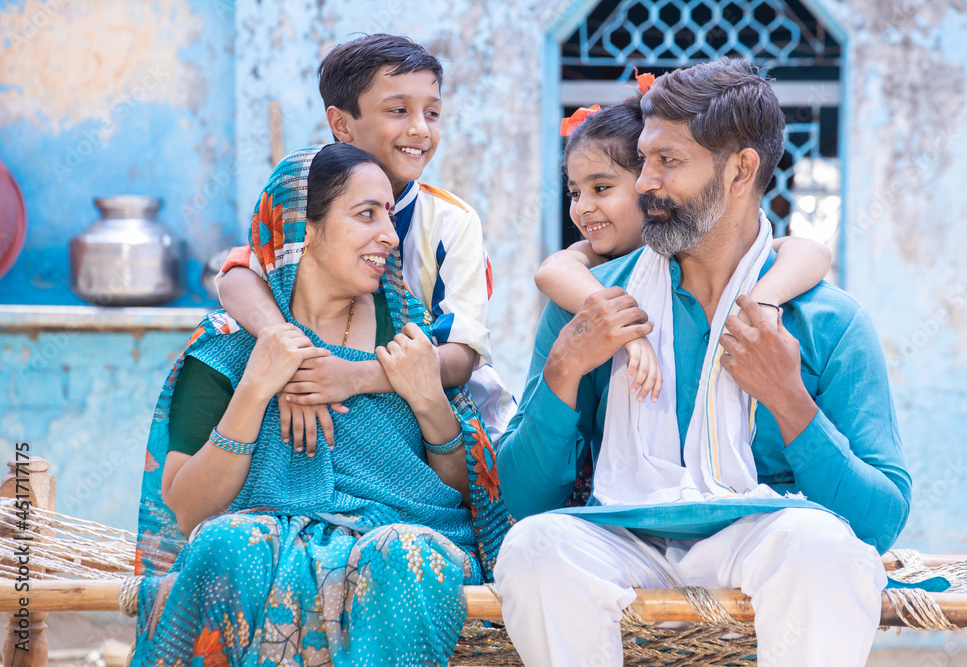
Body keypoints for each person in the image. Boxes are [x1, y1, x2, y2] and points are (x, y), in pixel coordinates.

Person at [494, 58, 910, 667]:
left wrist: (789, 402)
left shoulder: (828, 322)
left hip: (762, 539)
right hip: (622, 536)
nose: (644, 183)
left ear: (740, 169)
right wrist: (563, 373)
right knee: (535, 546)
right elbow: (528, 500)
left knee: (823, 545)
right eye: (643, 160)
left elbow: (878, 521)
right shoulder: (594, 309)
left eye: (668, 162)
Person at [132, 143, 511, 666]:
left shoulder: (409, 335)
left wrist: (428, 403)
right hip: (268, 537)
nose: (388, 234)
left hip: (401, 541)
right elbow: (190, 511)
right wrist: (257, 388)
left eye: (389, 214)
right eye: (366, 214)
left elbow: (464, 498)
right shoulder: (226, 346)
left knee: (404, 554)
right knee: (230, 543)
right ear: (302, 229)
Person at [216, 34, 515, 450]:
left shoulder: (451, 221)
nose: (419, 129)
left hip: (444, 415)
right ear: (341, 124)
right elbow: (238, 275)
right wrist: (296, 358)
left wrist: (352, 376)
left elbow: (461, 357)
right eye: (398, 110)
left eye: (432, 113)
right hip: (329, 398)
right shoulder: (307, 191)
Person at [536, 94, 831, 407]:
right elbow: (551, 271)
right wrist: (630, 332)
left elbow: (812, 252)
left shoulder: (719, 264)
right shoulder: (599, 266)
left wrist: (762, 302)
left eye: (601, 188)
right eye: (574, 193)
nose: (583, 207)